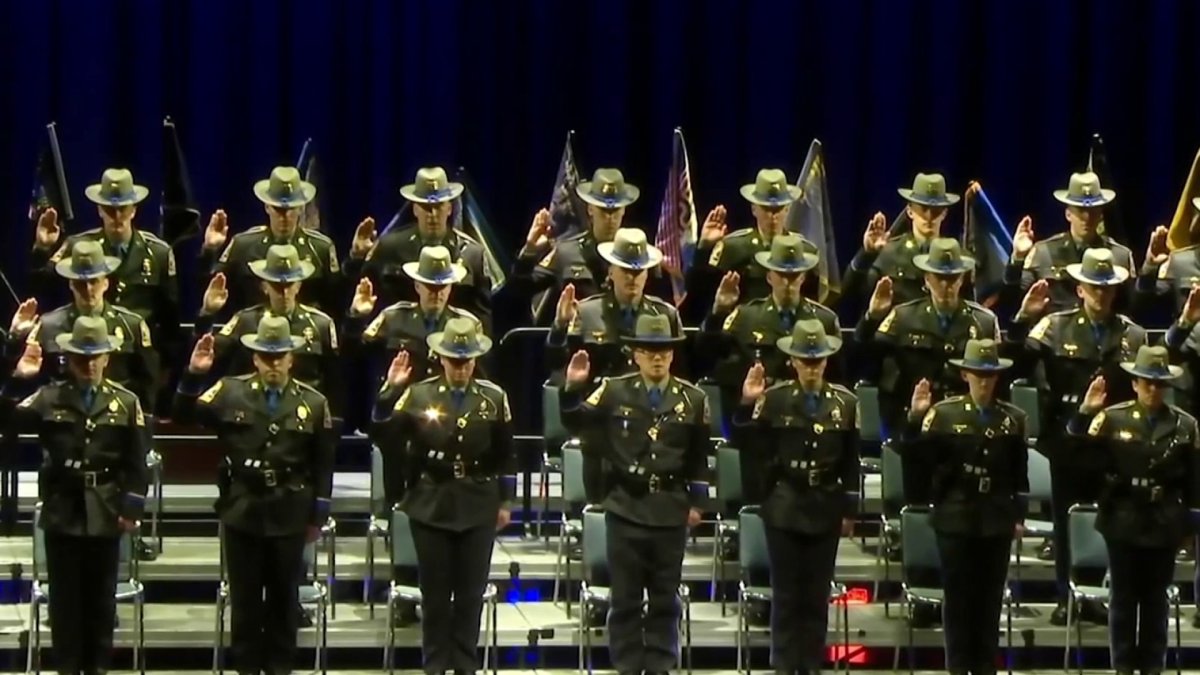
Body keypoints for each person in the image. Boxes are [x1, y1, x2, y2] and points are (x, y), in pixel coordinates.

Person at [173, 316, 335, 675]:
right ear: (255, 358)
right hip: (243, 507)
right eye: (266, 356)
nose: (273, 363)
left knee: (283, 600)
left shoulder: (314, 402)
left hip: (290, 509)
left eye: (280, 356)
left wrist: (317, 515)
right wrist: (194, 374)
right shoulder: (230, 391)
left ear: (292, 358)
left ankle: (280, 668)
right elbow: (182, 415)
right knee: (245, 602)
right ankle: (245, 668)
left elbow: (323, 463)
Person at [560, 314, 708, 675]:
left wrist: (698, 503)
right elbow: (577, 424)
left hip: (670, 507)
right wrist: (571, 390)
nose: (657, 358)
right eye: (649, 351)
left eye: (664, 351)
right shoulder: (613, 390)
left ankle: (659, 664)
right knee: (624, 597)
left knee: (664, 597)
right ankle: (626, 664)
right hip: (626, 505)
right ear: (635, 354)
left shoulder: (693, 399)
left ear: (672, 355)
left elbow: (699, 457)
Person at [1, 317, 147, 675]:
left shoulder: (125, 401)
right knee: (65, 608)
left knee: (100, 606)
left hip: (106, 509)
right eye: (82, 357)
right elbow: (7, 425)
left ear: (107, 358)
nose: (90, 363)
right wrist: (18, 380)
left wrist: (130, 508)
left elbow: (138, 461)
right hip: (63, 510)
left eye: (96, 356)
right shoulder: (49, 397)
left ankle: (97, 669)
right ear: (68, 357)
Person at [369, 317, 515, 675]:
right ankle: (434, 665)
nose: (461, 367)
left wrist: (506, 501)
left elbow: (506, 454)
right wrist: (389, 391)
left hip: (478, 503)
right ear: (442, 358)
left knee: (469, 597)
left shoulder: (493, 397)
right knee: (434, 597)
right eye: (455, 359)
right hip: (430, 503)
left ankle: (465, 666)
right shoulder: (419, 394)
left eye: (467, 360)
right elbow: (384, 437)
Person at [1008, 247, 1146, 624]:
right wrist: (1023, 319)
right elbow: (1014, 365)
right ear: (1080, 289)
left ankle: (1100, 595)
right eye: (1092, 287)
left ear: (1115, 290)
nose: (1100, 294)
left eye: (1106, 287)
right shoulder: (1053, 327)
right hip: (1067, 441)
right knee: (1069, 522)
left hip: (1113, 446)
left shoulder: (1131, 334)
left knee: (1110, 521)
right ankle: (1065, 596)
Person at [733, 319, 857, 675]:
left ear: (827, 361)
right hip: (785, 505)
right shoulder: (774, 399)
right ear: (794, 361)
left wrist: (849, 509)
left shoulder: (844, 403)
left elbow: (850, 461)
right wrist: (746, 404)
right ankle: (786, 666)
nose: (811, 366)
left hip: (826, 506)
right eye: (805, 360)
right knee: (787, 596)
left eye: (817, 360)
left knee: (816, 597)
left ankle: (811, 665)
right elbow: (747, 444)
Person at [1069, 345, 1200, 675]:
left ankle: (1153, 667)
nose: (1153, 390)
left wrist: (1190, 527)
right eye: (1147, 383)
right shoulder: (1112, 419)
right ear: (1135, 384)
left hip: (1164, 520)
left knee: (1156, 603)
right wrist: (1084, 415)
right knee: (1124, 601)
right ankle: (1124, 667)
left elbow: (1194, 482)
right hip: (1123, 518)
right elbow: (1080, 464)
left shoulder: (1185, 426)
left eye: (1159, 384)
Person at [906, 339, 1028, 675]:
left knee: (989, 602)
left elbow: (1020, 475)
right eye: (977, 374)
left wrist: (1018, 515)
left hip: (996, 518)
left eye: (989, 375)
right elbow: (917, 461)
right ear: (965, 374)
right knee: (959, 601)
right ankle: (959, 667)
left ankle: (986, 667)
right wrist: (916, 419)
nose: (984, 381)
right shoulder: (943, 415)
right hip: (955, 516)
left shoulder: (1012, 419)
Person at [854, 238, 1000, 503]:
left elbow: (997, 380)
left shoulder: (983, 322)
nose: (946, 285)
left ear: (962, 279)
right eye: (939, 277)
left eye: (952, 277)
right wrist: (872, 317)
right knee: (920, 504)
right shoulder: (903, 317)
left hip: (966, 431)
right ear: (927, 279)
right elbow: (865, 359)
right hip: (915, 427)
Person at [30, 169, 181, 389]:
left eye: (123, 209)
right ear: (100, 210)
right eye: (110, 210)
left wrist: (164, 368)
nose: (117, 216)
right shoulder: (78, 247)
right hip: (84, 351)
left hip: (131, 357)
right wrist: (42, 248)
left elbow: (170, 318)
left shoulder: (158, 253)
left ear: (134, 209)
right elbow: (41, 288)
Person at [699, 232, 840, 428]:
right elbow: (705, 358)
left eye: (793, 276)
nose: (787, 283)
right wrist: (718, 313)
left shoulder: (824, 321)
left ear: (803, 278)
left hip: (809, 423)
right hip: (757, 422)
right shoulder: (745, 317)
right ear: (769, 277)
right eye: (781, 275)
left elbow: (838, 379)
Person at [193, 244, 344, 425]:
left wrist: (331, 423)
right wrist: (208, 313)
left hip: (303, 420)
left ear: (299, 285)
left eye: (290, 284)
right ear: (265, 286)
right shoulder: (246, 321)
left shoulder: (321, 324)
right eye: (277, 285)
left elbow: (336, 380)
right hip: (253, 414)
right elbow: (206, 352)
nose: (284, 292)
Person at [512, 169, 673, 323]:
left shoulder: (642, 255)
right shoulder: (567, 253)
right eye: (603, 210)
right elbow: (519, 289)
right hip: (581, 340)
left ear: (624, 210)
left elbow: (657, 308)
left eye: (615, 210)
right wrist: (529, 250)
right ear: (590, 209)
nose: (610, 218)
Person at [343, 167, 494, 329]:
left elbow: (482, 321)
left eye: (439, 206)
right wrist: (357, 258)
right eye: (426, 207)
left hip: (454, 344)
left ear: (449, 209)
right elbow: (356, 296)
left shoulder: (472, 254)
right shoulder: (390, 247)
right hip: (401, 342)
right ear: (415, 209)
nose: (433, 214)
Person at [200, 166, 343, 316]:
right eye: (278, 209)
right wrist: (209, 250)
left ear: (301, 208)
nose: (284, 216)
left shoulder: (320, 248)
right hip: (252, 331)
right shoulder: (244, 245)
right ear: (267, 207)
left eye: (291, 209)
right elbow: (210, 291)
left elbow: (337, 301)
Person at [545, 228, 683, 381]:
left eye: (638, 271)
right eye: (625, 270)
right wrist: (560, 325)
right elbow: (556, 363)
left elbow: (681, 373)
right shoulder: (586, 313)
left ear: (646, 274)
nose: (632, 277)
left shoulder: (665, 315)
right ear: (611, 272)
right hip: (600, 400)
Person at [345, 245, 483, 390]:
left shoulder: (468, 325)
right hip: (398, 402)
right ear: (417, 286)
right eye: (430, 286)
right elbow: (354, 356)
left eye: (443, 287)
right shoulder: (393, 317)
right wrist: (357, 316)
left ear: (450, 287)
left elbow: (478, 378)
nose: (437, 293)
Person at [1004, 172, 1134, 315]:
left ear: (1101, 215)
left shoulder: (1119, 256)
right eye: (1081, 210)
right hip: (1055, 334)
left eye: (1092, 211)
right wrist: (1017, 258)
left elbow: (1133, 307)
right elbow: (1012, 300)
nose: (1087, 217)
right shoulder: (1044, 252)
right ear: (1068, 214)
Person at [842, 174, 963, 307]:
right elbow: (850, 292)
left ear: (944, 213)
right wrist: (867, 253)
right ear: (910, 211)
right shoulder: (890, 253)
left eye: (936, 210)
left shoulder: (958, 257)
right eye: (923, 209)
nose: (929, 216)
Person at [687, 169, 802, 307]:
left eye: (777, 209)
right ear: (754, 209)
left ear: (787, 209)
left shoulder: (803, 251)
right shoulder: (734, 248)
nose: (772, 216)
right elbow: (697, 293)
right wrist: (704, 248)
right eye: (766, 209)